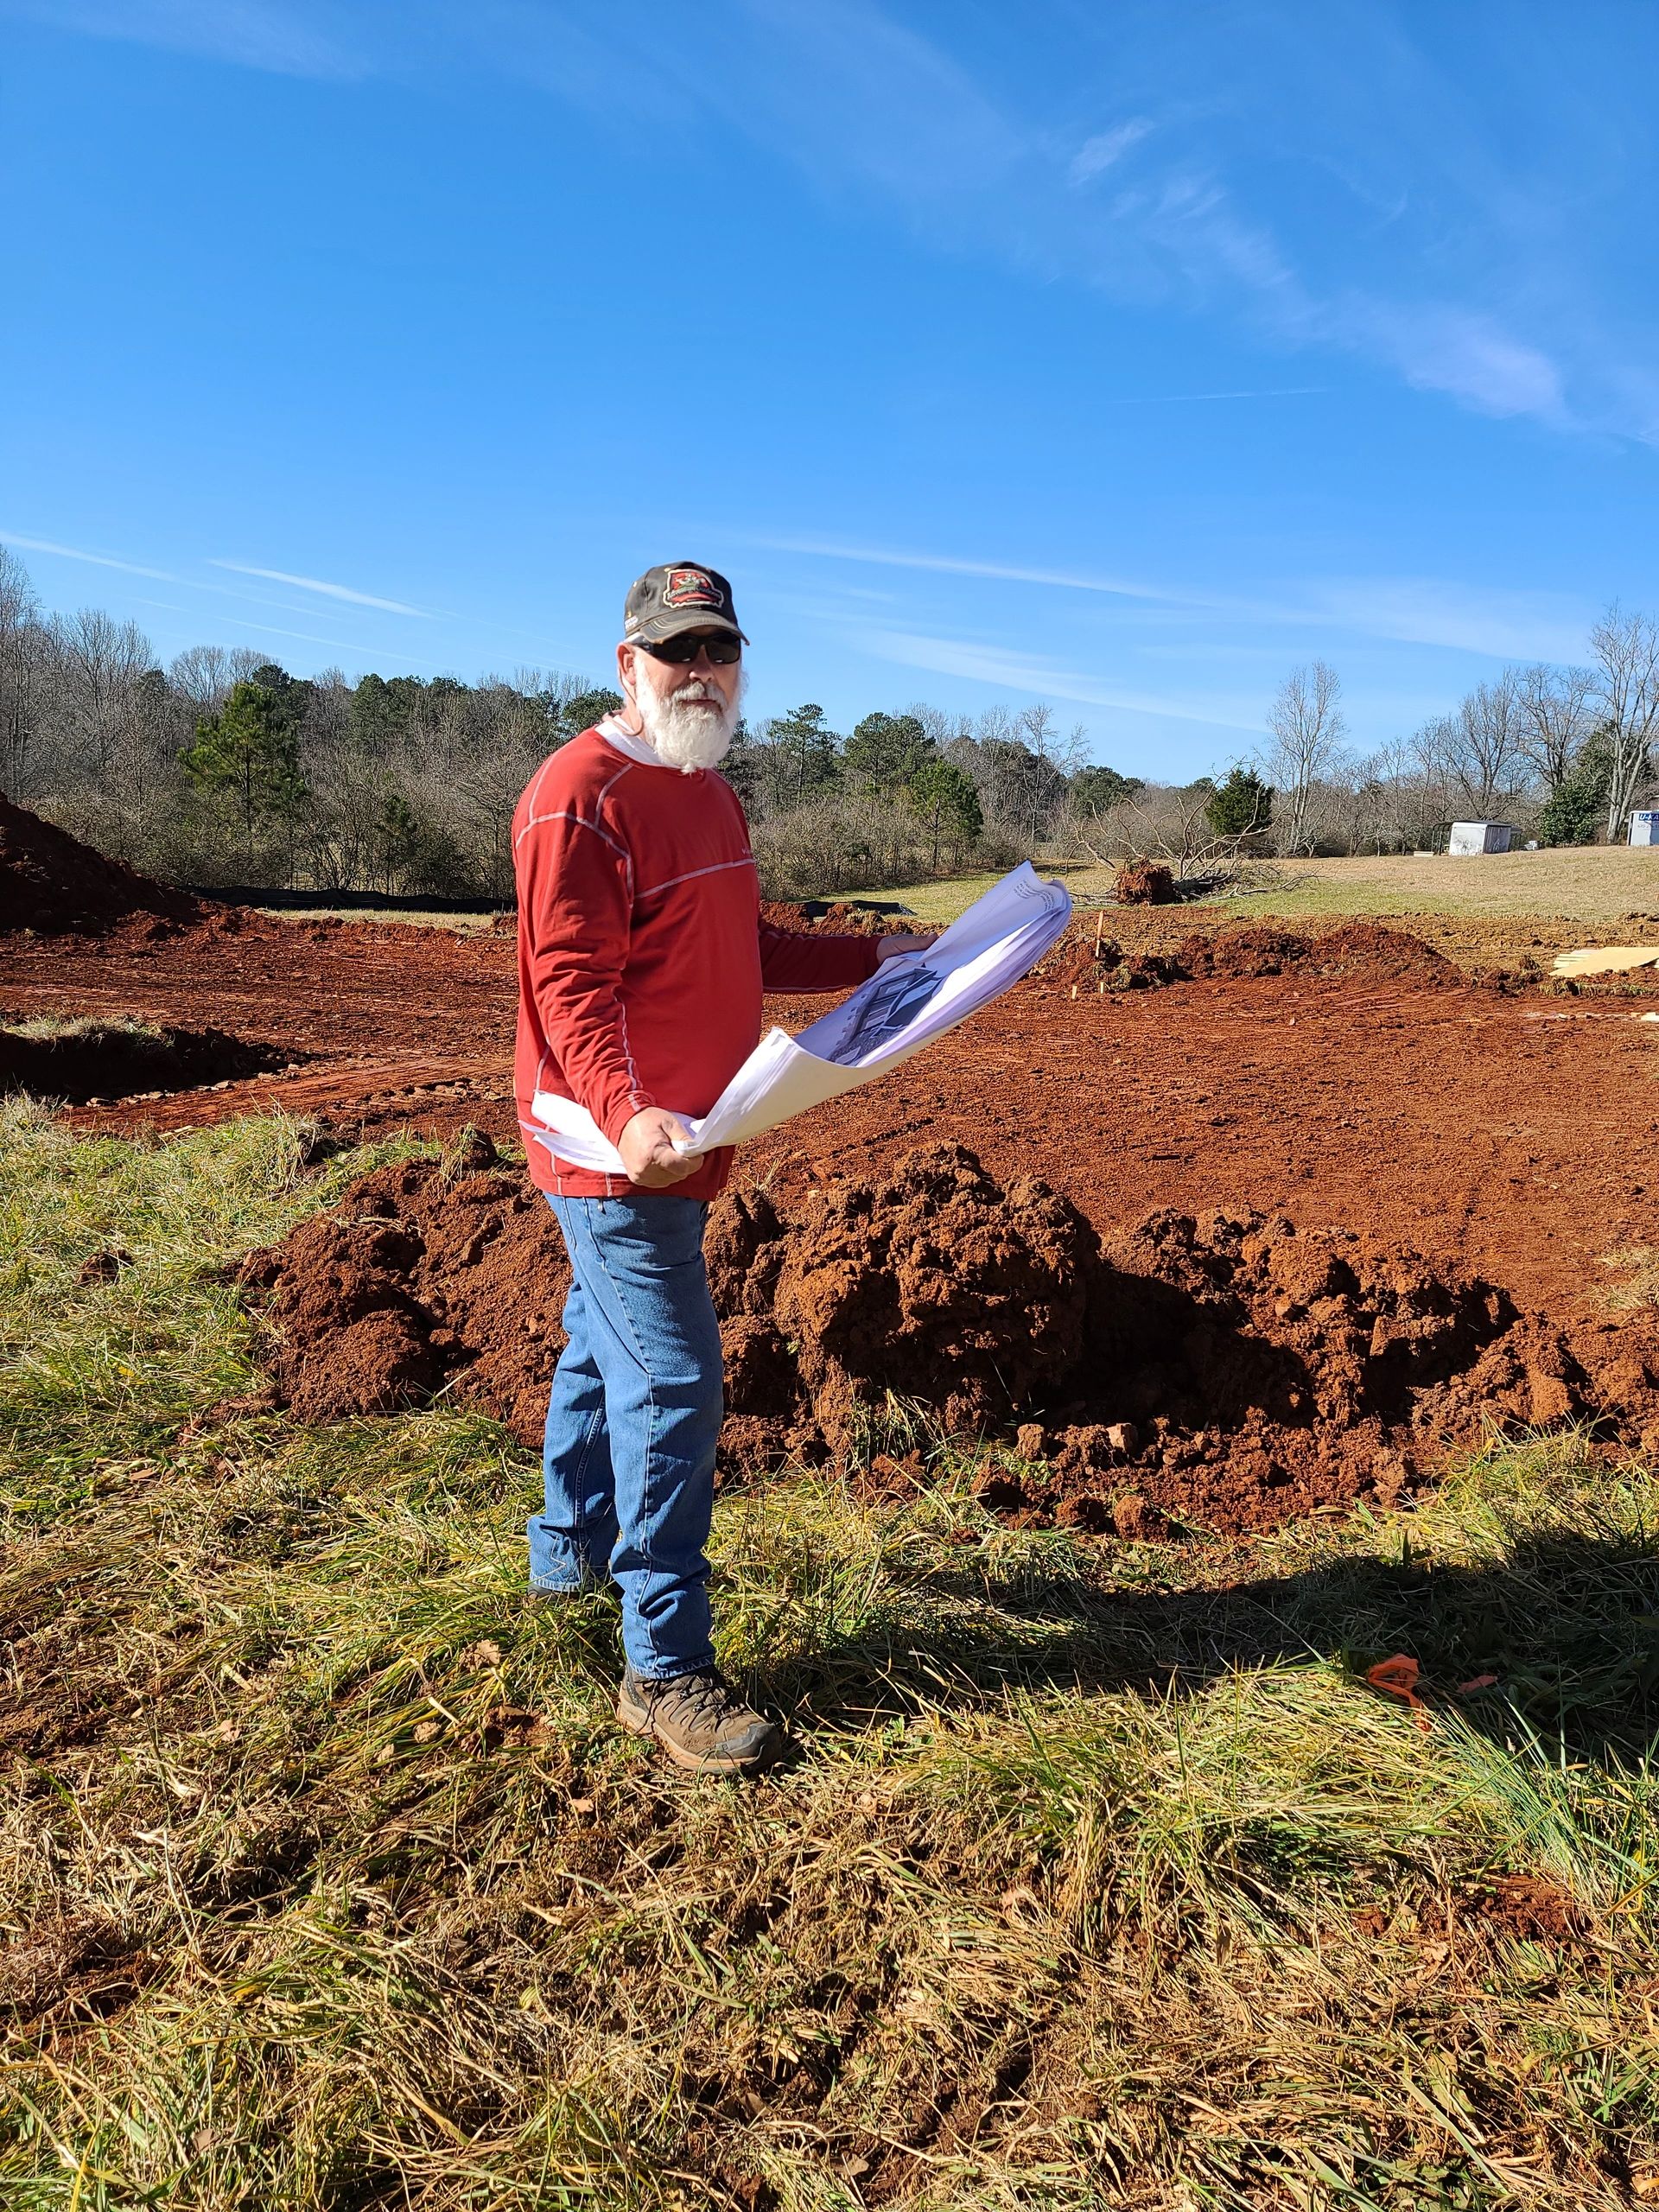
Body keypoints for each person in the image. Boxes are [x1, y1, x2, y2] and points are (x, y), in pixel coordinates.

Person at [512, 562, 929, 1775]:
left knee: (606, 1346)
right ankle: (663, 1670)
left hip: (687, 1137)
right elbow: (569, 985)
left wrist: (876, 954)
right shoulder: (576, 798)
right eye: (676, 651)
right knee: (680, 1385)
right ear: (627, 664)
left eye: (720, 652)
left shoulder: (708, 792)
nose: (700, 672)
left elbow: (741, 947)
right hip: (613, 1151)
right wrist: (630, 1114)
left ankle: (564, 1565)